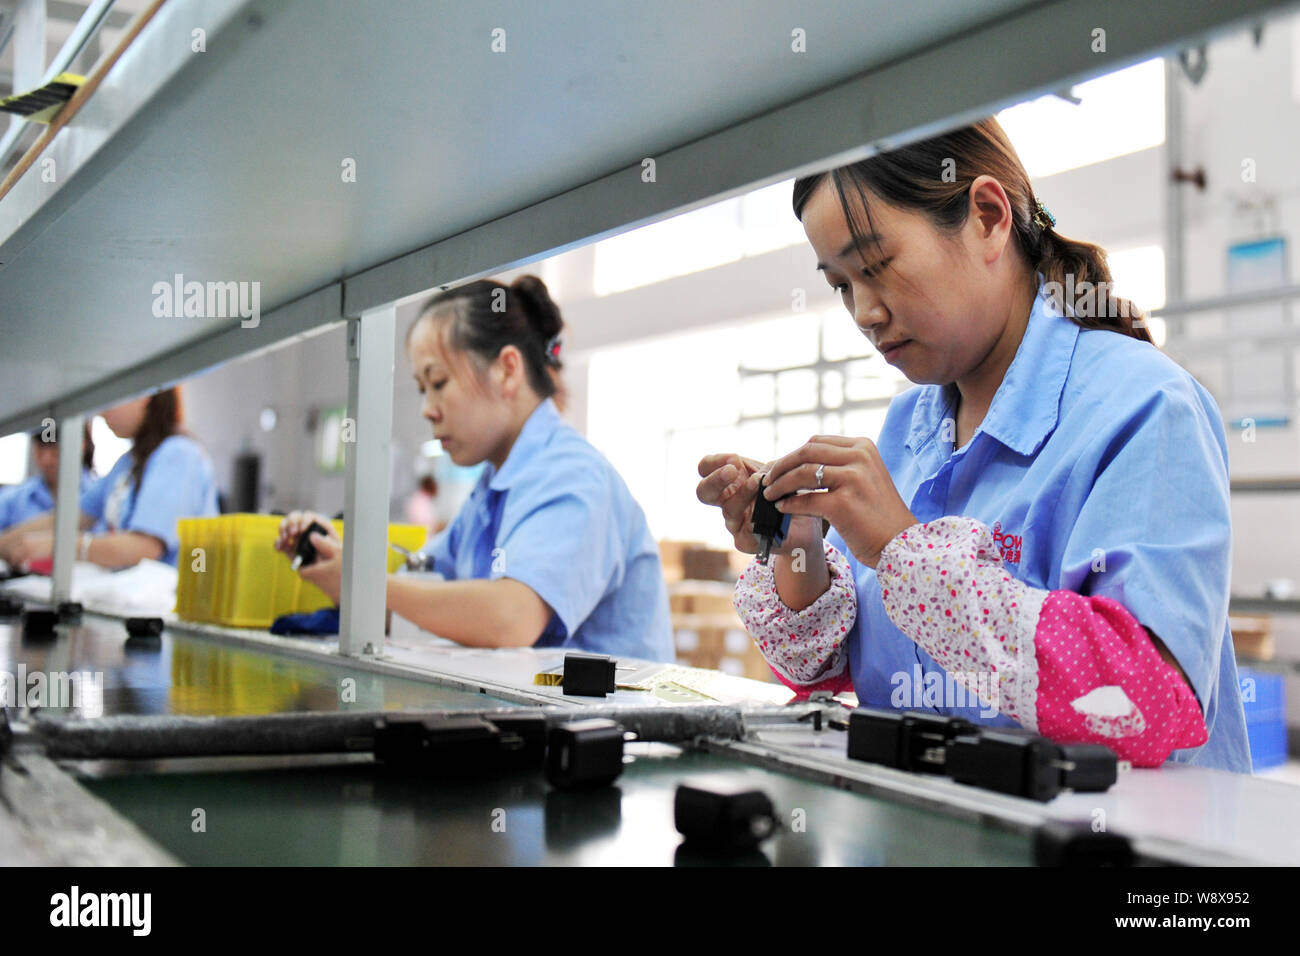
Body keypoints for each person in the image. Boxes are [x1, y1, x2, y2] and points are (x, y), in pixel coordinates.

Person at [697, 118, 1250, 772]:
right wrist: (796, 547)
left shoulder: (1145, 408)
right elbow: (835, 667)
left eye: (877, 266)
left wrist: (903, 549)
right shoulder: (909, 429)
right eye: (841, 285)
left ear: (988, 216)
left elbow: (1145, 704)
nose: (865, 311)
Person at [276, 275, 673, 661]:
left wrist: (363, 583)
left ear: (507, 370)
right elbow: (415, 599)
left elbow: (510, 618)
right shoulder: (492, 489)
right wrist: (335, 559)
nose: (427, 409)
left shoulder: (574, 475)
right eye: (421, 388)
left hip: (615, 725)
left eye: (438, 381)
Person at [0, 387, 219, 569]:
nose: (102, 414)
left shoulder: (178, 455)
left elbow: (144, 548)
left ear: (144, 394)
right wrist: (5, 543)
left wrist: (60, 546)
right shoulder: (128, 462)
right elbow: (71, 517)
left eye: (109, 401)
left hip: (160, 606)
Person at [0, 422, 96, 532]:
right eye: (40, 449)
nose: (46, 460)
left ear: (81, 445)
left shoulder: (103, 496)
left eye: (55, 449)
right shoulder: (10, 500)